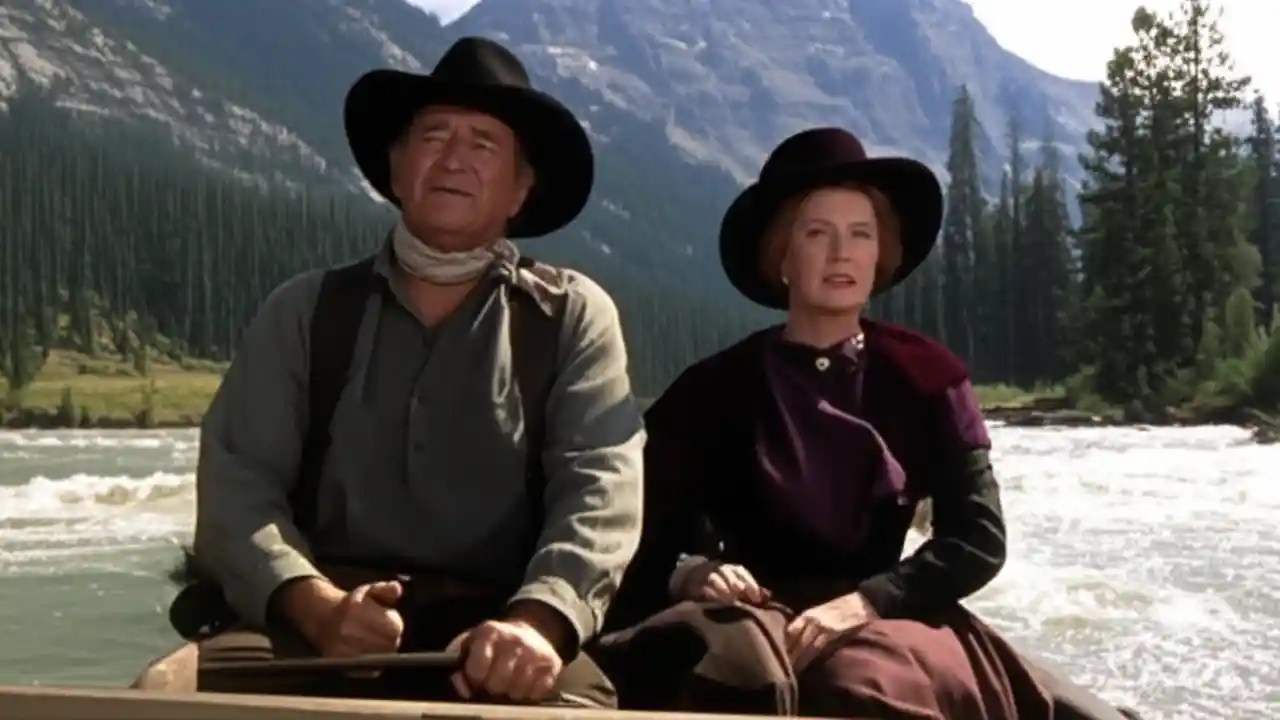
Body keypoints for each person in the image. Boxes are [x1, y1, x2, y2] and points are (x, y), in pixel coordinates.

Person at [133, 37, 645, 709]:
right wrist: (313, 605)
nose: (454, 159)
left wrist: (539, 624)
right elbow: (237, 486)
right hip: (318, 616)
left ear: (521, 189)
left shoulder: (571, 316)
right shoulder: (307, 311)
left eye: (485, 143)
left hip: (502, 622)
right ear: (398, 169)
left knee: (579, 709)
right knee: (162, 700)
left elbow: (600, 486)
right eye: (433, 136)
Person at [601, 127, 1139, 719]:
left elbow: (978, 539)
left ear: (880, 254)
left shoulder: (928, 376)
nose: (842, 253)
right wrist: (694, 573)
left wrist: (870, 601)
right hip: (750, 616)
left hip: (889, 613)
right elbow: (640, 537)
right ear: (781, 256)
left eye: (861, 234)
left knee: (884, 685)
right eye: (817, 233)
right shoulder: (711, 389)